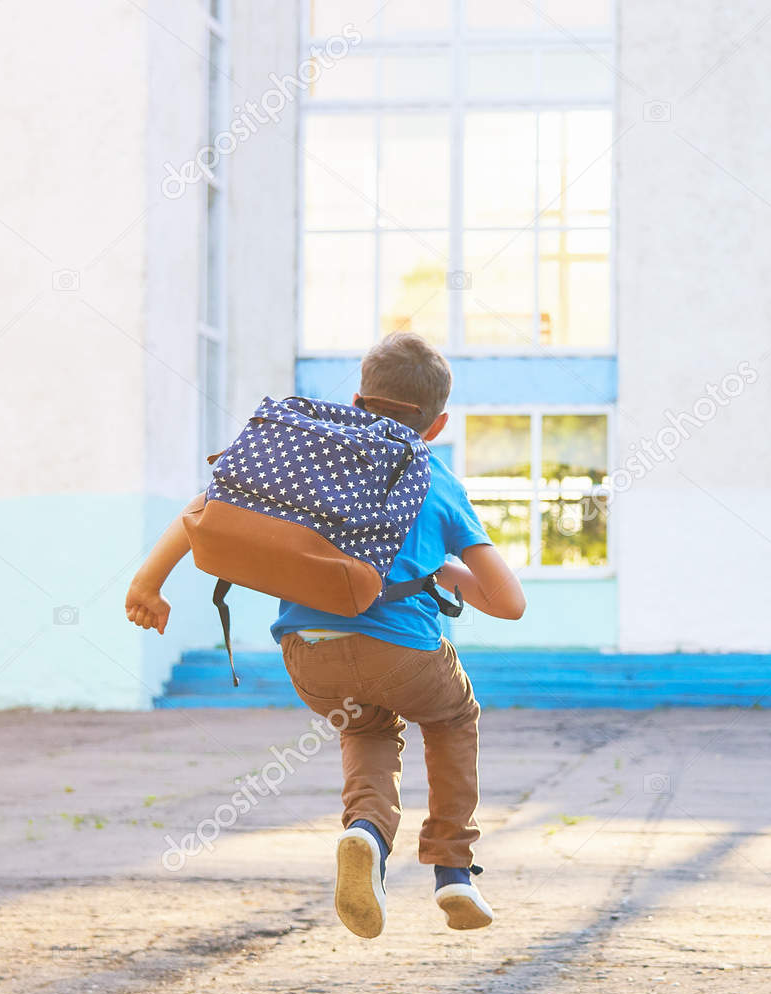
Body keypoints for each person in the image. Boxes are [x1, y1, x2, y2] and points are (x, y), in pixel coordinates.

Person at [124, 332, 526, 939]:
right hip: (405, 654)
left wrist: (147, 587)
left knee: (365, 727)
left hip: (310, 656)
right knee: (451, 717)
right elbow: (508, 603)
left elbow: (199, 512)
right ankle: (453, 870)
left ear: (360, 400)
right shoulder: (434, 477)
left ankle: (365, 834)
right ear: (437, 424)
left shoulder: (306, 455)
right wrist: (442, 563)